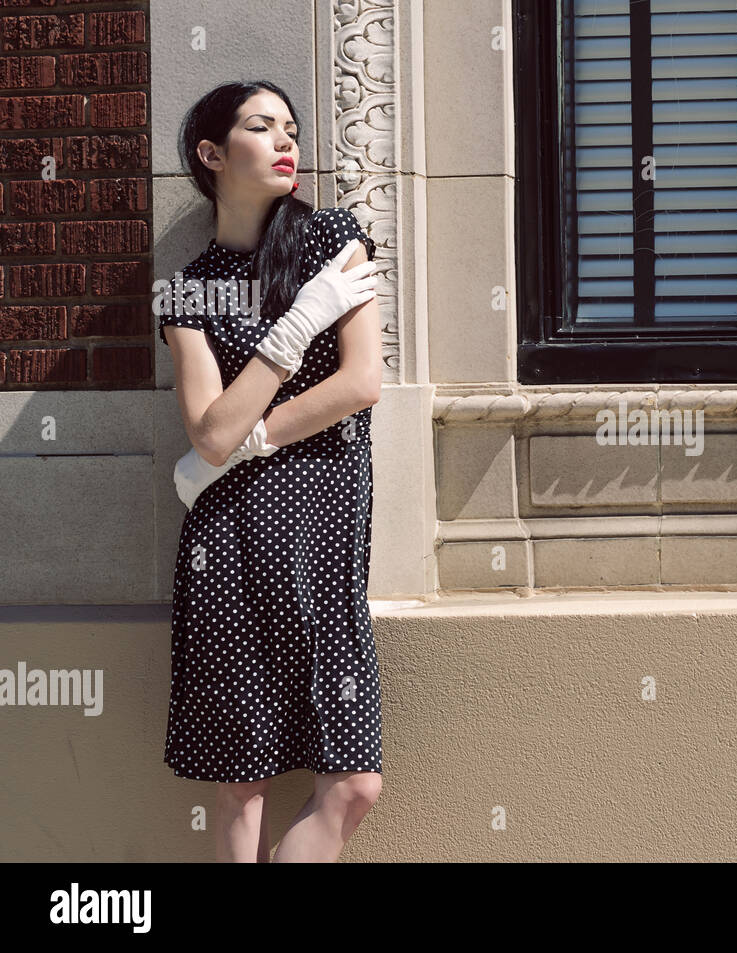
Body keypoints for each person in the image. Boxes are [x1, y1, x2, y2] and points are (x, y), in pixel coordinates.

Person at [159, 80, 385, 862]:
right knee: (242, 780)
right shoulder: (188, 290)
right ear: (213, 153)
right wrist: (293, 330)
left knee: (354, 784)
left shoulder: (331, 241)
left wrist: (249, 435)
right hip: (231, 544)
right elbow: (208, 431)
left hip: (326, 537)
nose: (288, 141)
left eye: (292, 126)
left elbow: (361, 384)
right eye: (263, 127)